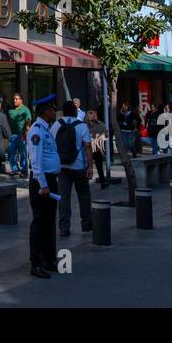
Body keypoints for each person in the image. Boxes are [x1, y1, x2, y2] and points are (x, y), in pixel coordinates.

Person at [26, 95, 62, 279]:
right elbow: (36, 160)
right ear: (46, 112)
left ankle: (49, 259)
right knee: (40, 222)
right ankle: (36, 262)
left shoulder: (46, 130)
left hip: (50, 180)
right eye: (52, 109)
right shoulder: (37, 131)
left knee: (49, 221)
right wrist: (43, 184)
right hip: (42, 182)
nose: (54, 112)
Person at [52, 99, 94, 236]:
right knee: (84, 195)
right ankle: (86, 224)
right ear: (75, 111)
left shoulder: (56, 125)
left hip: (62, 166)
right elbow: (88, 146)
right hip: (78, 166)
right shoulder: (81, 125)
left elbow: (52, 145)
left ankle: (64, 227)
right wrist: (90, 166)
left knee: (63, 197)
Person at [7, 93, 32, 177]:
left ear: (21, 100)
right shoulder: (10, 110)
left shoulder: (25, 109)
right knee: (11, 153)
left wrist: (26, 132)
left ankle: (24, 170)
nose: (15, 100)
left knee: (23, 153)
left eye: (16, 99)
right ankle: (14, 169)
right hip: (12, 135)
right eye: (14, 99)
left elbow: (28, 121)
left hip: (22, 134)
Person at [87, 108, 113, 188]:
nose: (92, 116)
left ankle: (102, 181)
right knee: (87, 165)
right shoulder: (84, 125)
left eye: (93, 114)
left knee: (99, 166)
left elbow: (107, 133)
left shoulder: (100, 124)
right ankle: (85, 181)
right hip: (87, 148)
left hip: (97, 148)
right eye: (90, 114)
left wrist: (100, 138)